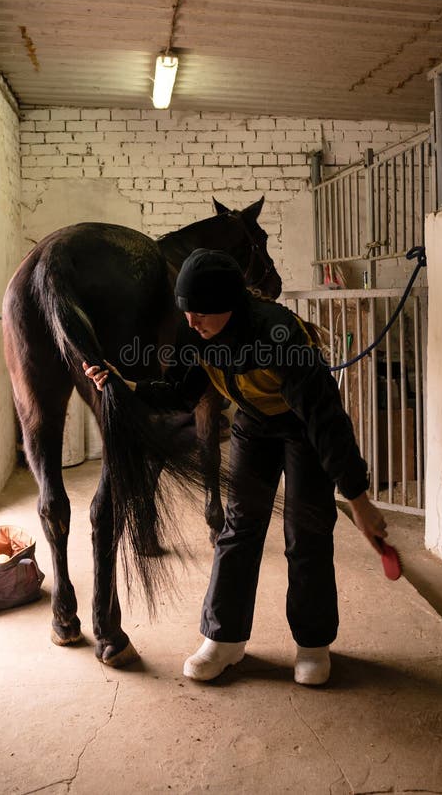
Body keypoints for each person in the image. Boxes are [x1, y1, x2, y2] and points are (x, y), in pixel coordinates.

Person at [84, 249, 387, 686]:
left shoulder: (278, 333)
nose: (192, 321)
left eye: (201, 311)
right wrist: (124, 384)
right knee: (239, 527)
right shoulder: (196, 333)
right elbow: (180, 392)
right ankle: (224, 640)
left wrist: (357, 498)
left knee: (308, 531)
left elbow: (327, 421)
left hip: (304, 428)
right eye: (186, 310)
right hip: (253, 426)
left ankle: (313, 644)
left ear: (229, 303)